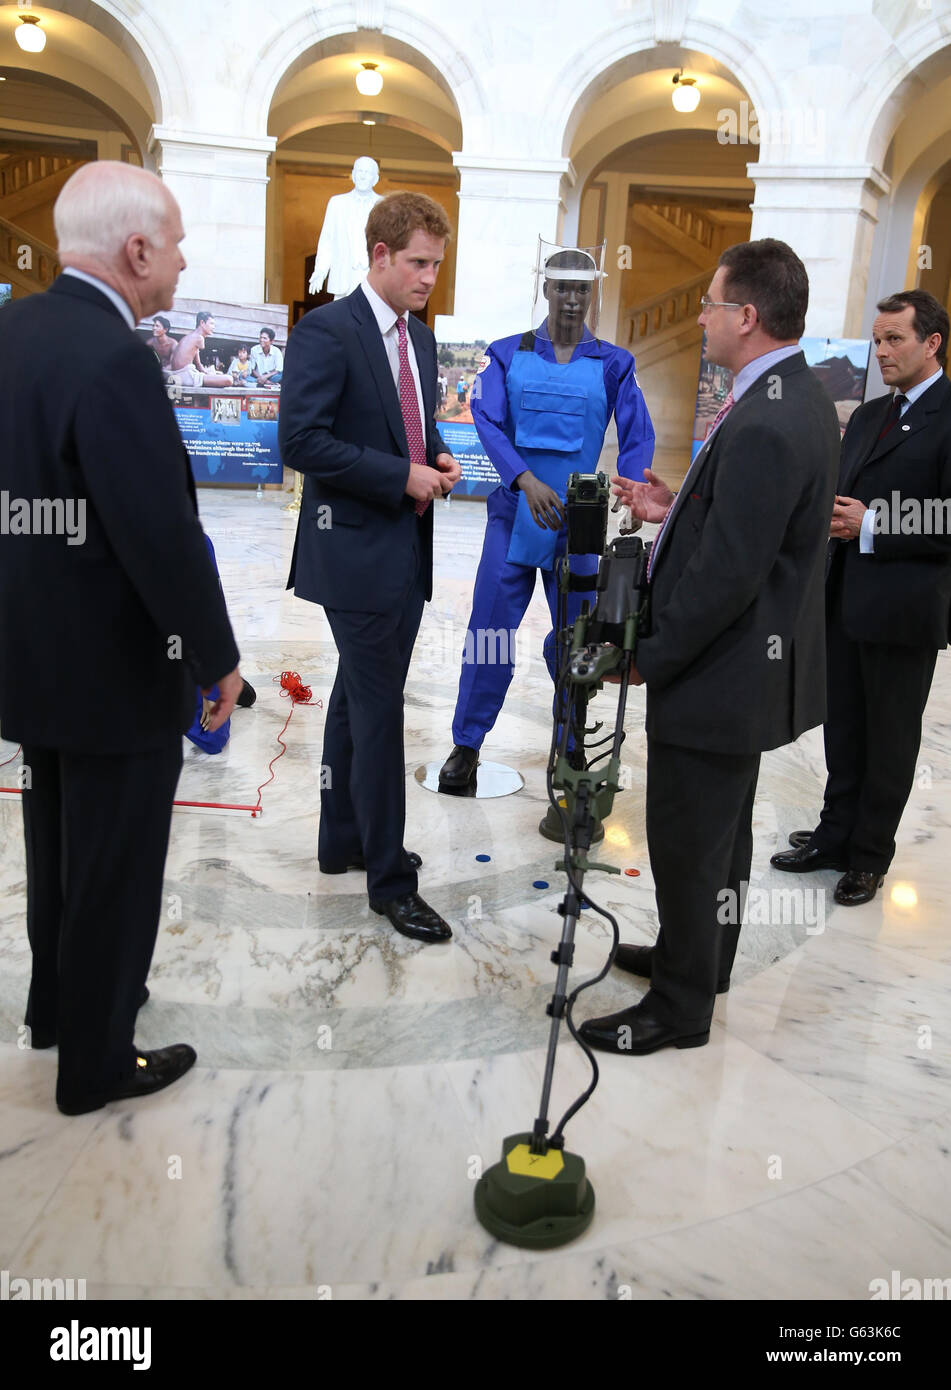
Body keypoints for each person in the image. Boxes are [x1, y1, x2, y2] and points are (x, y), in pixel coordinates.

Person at [0, 161, 243, 1114]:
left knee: (57, 844)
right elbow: (158, 536)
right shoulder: (114, 357)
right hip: (112, 666)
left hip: (30, 654)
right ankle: (96, 1064)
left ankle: (59, 1007)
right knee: (115, 867)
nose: (182, 262)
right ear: (137, 249)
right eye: (176, 243)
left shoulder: (12, 327)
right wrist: (216, 656)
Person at [579, 238, 841, 1056]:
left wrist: (644, 655)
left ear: (747, 316)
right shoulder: (791, 395)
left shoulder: (765, 419)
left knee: (689, 844)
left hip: (720, 671)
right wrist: (671, 509)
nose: (699, 317)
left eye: (711, 304)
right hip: (743, 672)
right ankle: (702, 960)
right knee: (719, 837)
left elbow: (726, 577)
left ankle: (679, 1007)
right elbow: (736, 527)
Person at [279, 191, 461, 944]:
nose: (428, 278)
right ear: (379, 255)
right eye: (418, 263)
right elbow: (302, 440)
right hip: (352, 553)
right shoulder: (327, 331)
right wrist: (400, 476)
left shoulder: (415, 338)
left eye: (437, 266)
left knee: (358, 700)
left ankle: (342, 841)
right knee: (383, 714)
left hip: (402, 549)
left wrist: (436, 454)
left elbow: (410, 421)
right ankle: (391, 881)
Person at [437, 248, 654, 792]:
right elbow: (484, 418)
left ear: (593, 293)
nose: (573, 298)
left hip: (577, 522)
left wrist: (631, 489)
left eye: (583, 289)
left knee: (578, 638)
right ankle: (467, 745)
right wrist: (523, 478)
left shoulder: (613, 363)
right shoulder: (506, 355)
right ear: (546, 289)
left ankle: (574, 745)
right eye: (563, 287)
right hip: (514, 516)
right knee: (489, 632)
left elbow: (637, 433)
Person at [771, 290, 951, 905]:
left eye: (895, 339)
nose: (881, 351)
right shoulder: (871, 413)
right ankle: (834, 834)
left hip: (904, 612)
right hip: (842, 602)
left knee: (889, 739)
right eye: (876, 340)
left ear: (932, 343)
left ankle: (870, 855)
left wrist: (873, 524)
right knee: (843, 728)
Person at [308, 156, 384, 299]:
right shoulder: (337, 203)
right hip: (344, 276)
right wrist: (320, 271)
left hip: (372, 275)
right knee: (341, 319)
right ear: (353, 175)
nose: (362, 176)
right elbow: (327, 241)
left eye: (367, 172)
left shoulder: (383, 204)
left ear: (375, 179)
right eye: (359, 171)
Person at [168, 309, 232, 389]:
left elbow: (198, 365)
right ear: (202, 323)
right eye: (211, 324)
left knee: (219, 374)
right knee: (229, 379)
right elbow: (198, 366)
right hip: (185, 376)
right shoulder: (199, 338)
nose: (213, 327)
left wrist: (210, 374)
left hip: (179, 375)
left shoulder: (191, 336)